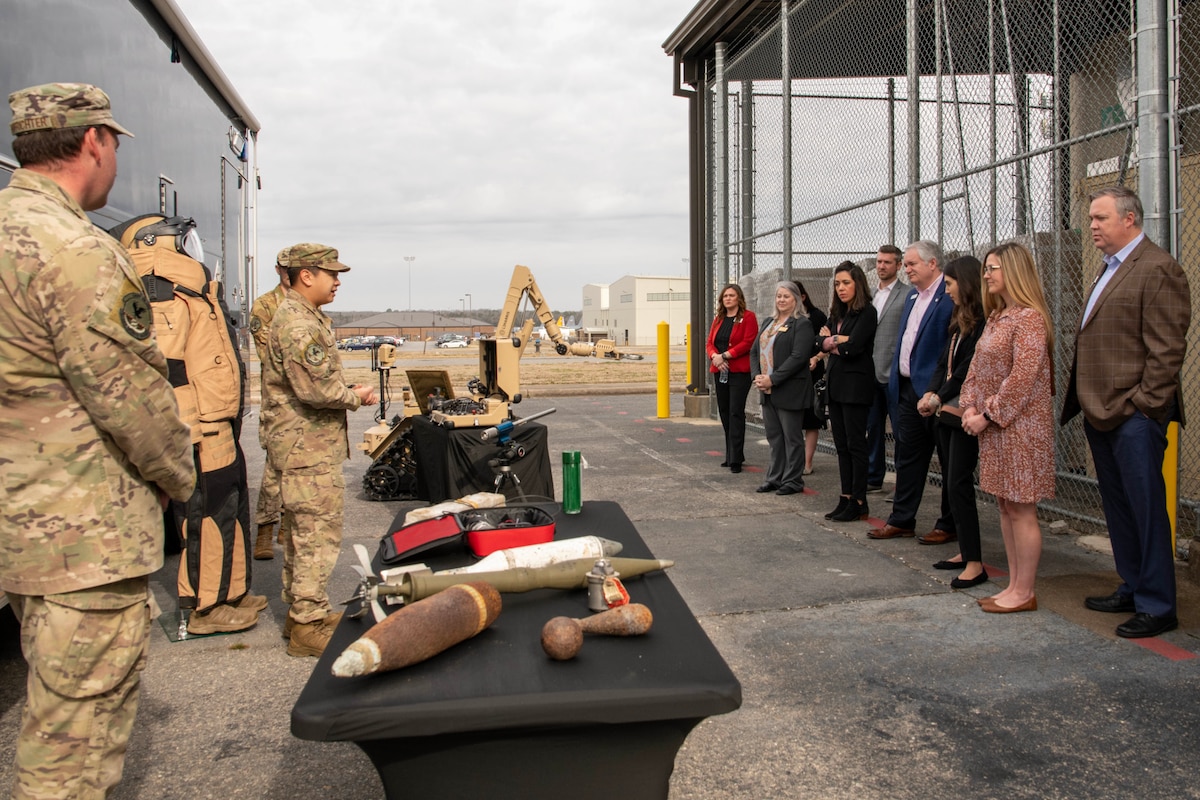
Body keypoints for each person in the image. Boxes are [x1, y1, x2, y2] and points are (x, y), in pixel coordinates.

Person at [0, 82, 195, 798]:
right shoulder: (75, 250)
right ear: (94, 143)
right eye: (112, 145)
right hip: (85, 536)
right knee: (73, 746)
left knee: (55, 704)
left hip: (23, 526)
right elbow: (131, 400)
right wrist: (183, 477)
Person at [110, 213, 264, 635]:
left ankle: (231, 592)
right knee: (204, 517)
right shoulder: (157, 292)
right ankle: (204, 608)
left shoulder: (189, 288)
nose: (189, 246)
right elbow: (163, 367)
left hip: (218, 422)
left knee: (228, 507)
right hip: (195, 426)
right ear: (151, 244)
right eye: (179, 239)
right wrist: (184, 427)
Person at [1062, 186, 1191, 638]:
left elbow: (1167, 351)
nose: (1092, 225)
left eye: (1100, 218)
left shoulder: (1157, 269)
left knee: (1147, 509)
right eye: (1092, 218)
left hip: (1133, 415)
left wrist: (1143, 407)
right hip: (1102, 412)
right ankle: (1134, 586)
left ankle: (1158, 605)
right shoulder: (1109, 268)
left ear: (1129, 219)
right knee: (1119, 508)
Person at [264, 243, 377, 657]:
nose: (337, 281)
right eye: (331, 274)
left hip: (302, 446)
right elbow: (315, 389)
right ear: (306, 275)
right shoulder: (298, 324)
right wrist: (355, 395)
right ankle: (307, 625)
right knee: (315, 536)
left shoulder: (303, 317)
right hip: (306, 448)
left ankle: (305, 612)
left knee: (301, 535)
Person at [961, 242, 1056, 613]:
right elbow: (975, 369)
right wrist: (969, 405)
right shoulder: (997, 316)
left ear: (1014, 272)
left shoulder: (1029, 318)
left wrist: (988, 414)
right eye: (985, 268)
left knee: (1021, 509)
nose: (987, 274)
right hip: (994, 427)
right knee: (1004, 506)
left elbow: (1022, 378)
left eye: (994, 268)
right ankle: (1014, 586)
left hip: (1019, 428)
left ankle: (1025, 591)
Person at [870, 240, 956, 542]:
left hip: (935, 394)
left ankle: (949, 524)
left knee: (948, 462)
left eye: (911, 264)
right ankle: (902, 519)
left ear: (932, 264)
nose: (906, 269)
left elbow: (948, 349)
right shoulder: (911, 298)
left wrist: (938, 391)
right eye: (905, 264)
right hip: (906, 390)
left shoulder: (949, 296)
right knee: (907, 457)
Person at [917, 256, 987, 587]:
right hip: (947, 411)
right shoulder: (958, 322)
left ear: (966, 283)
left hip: (964, 411)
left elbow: (966, 370)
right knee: (950, 480)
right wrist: (932, 391)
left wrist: (938, 396)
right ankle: (965, 550)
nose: (946, 291)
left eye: (950, 284)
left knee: (959, 482)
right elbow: (943, 362)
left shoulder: (983, 322)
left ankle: (974, 561)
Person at [818, 262, 877, 521]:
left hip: (856, 387)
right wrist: (834, 341)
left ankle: (859, 499)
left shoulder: (867, 313)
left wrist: (831, 341)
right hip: (836, 386)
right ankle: (845, 496)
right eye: (837, 284)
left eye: (846, 283)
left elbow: (854, 347)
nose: (841, 289)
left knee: (856, 444)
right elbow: (817, 341)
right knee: (841, 444)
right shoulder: (836, 315)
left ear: (858, 284)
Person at [750, 281, 816, 496]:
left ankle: (793, 481)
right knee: (774, 437)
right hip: (767, 390)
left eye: (786, 296)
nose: (781, 300)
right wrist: (757, 377)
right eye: (778, 296)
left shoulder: (801, 324)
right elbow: (754, 352)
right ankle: (774, 478)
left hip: (789, 389)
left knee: (792, 438)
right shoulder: (769, 322)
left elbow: (798, 357)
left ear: (796, 299)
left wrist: (773, 379)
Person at [249, 254, 293, 561]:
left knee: (299, 468)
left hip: (307, 401)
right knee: (275, 465)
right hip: (279, 398)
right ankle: (265, 528)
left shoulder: (310, 306)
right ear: (278, 270)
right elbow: (271, 356)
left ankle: (287, 528)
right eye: (285, 268)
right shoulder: (265, 306)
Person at [706, 283, 759, 473]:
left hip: (738, 372)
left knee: (736, 413)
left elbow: (748, 342)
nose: (728, 298)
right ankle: (731, 454)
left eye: (731, 295)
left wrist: (726, 355)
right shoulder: (718, 319)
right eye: (725, 296)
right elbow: (710, 343)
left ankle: (736, 458)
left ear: (739, 298)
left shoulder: (748, 317)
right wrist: (715, 357)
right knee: (725, 412)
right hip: (720, 371)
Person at [867, 245, 907, 492]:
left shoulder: (907, 295)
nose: (881, 266)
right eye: (879, 262)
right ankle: (873, 477)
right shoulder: (871, 295)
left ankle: (903, 483)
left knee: (901, 432)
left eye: (887, 263)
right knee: (873, 429)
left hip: (894, 375)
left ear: (898, 266)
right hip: (870, 374)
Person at [795, 280, 827, 475]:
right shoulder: (786, 319)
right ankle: (794, 460)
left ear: (803, 297)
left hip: (812, 373)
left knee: (812, 419)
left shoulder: (817, 317)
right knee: (794, 419)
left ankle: (807, 462)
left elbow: (827, 343)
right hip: (793, 374)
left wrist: (816, 358)